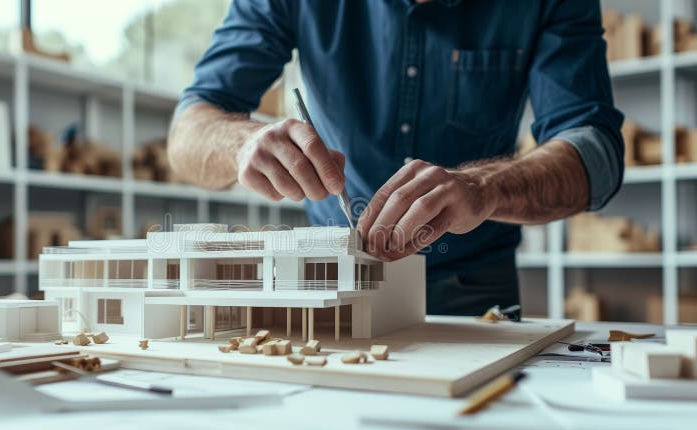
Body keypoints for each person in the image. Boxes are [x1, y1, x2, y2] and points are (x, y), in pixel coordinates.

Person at [167, 0, 624, 316]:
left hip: (473, 285)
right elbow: (187, 134)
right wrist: (241, 143)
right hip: (333, 280)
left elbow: (595, 154)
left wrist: (485, 189)